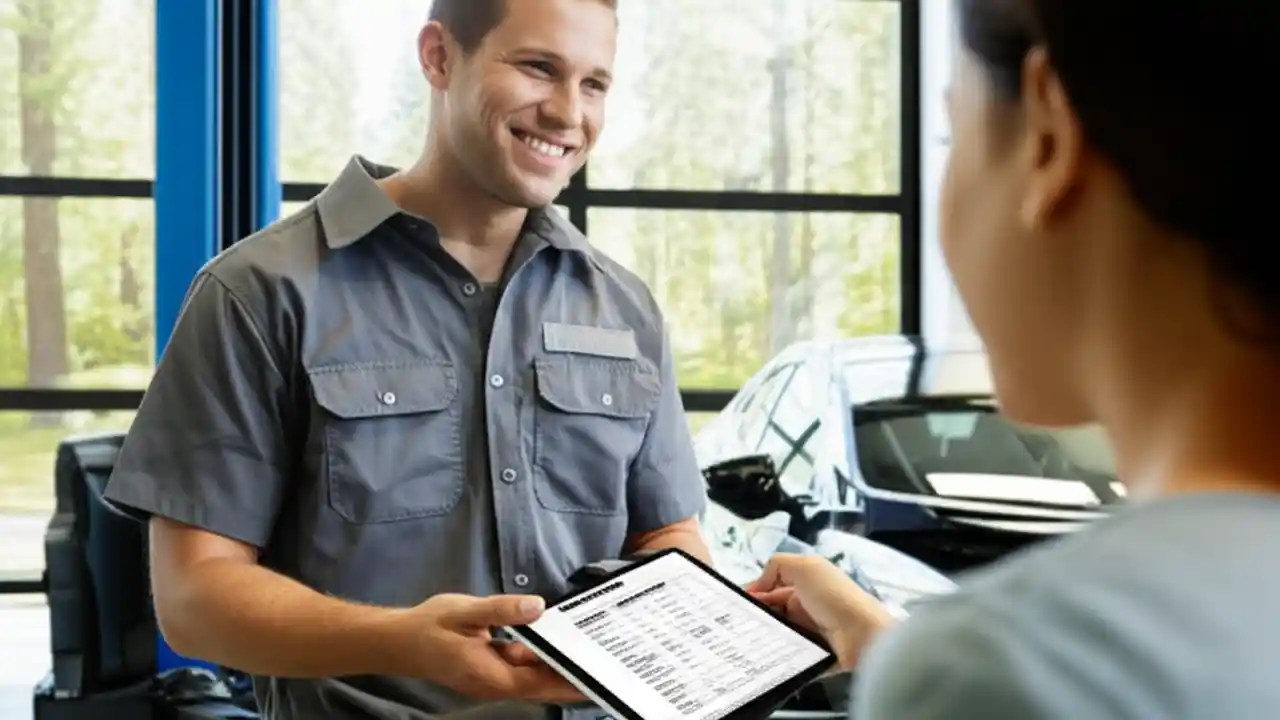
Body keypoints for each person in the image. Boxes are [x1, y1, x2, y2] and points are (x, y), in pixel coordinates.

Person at [103, 0, 710, 717]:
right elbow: (194, 598)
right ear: (439, 57)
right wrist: (398, 642)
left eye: (594, 84)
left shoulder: (624, 307)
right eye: (538, 68)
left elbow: (668, 533)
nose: (567, 112)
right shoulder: (260, 292)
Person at [750, 1, 1280, 717]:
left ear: (1049, 131)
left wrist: (937, 678)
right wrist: (890, 648)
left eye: (952, 133)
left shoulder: (1018, 663)